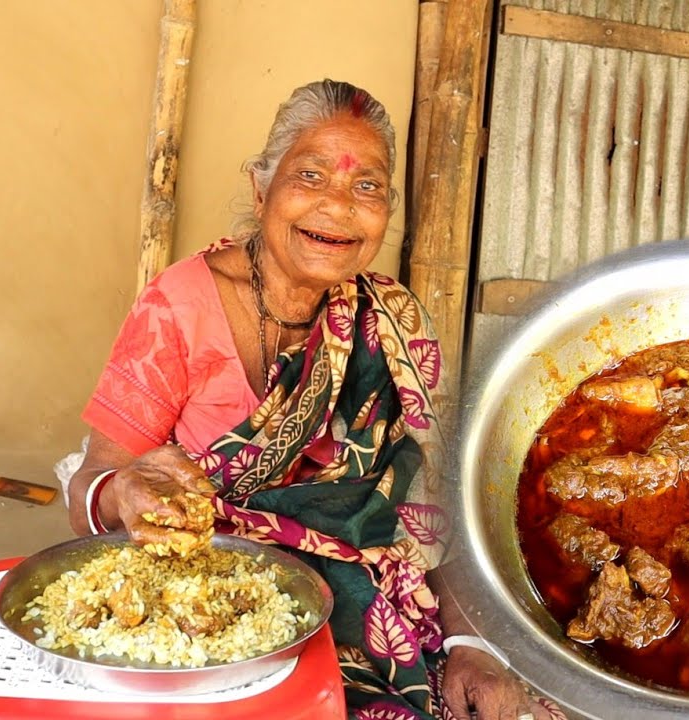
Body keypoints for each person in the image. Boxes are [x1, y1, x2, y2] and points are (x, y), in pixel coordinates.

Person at [67, 79, 560, 720]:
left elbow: (438, 510)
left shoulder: (395, 323)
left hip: (380, 616)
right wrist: (123, 491)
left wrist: (471, 645)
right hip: (215, 618)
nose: (339, 206)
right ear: (260, 188)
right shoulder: (179, 304)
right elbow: (86, 494)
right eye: (311, 174)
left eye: (367, 186)